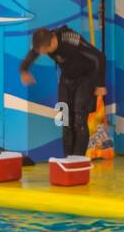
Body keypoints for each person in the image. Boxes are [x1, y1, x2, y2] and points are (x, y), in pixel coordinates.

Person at [19, 25, 107, 157]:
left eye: (45, 51)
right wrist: (24, 70)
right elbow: (34, 52)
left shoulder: (71, 40)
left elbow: (99, 57)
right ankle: (67, 159)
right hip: (67, 78)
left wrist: (100, 84)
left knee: (79, 120)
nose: (44, 54)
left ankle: (77, 160)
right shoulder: (44, 42)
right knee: (65, 120)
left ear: (53, 41)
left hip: (85, 78)